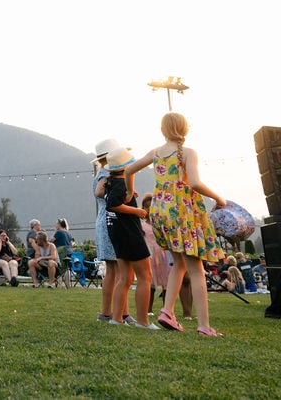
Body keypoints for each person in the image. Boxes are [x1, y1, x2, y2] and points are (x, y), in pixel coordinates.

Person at [124, 112, 227, 337]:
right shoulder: (189, 153)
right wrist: (219, 199)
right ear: (184, 129)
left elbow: (129, 170)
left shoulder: (156, 153)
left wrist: (129, 191)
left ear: (163, 130)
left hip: (161, 212)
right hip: (183, 212)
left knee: (178, 264)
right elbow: (196, 183)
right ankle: (204, 326)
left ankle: (168, 311)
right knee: (196, 269)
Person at [99, 148, 156, 328]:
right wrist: (137, 210)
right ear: (126, 166)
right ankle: (143, 322)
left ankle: (117, 318)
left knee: (125, 278)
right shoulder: (119, 184)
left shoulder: (112, 183)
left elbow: (117, 199)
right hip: (130, 234)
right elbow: (113, 205)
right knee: (145, 277)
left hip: (118, 234)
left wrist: (130, 194)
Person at [91, 139, 135, 325]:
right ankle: (119, 312)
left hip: (105, 220)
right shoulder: (106, 174)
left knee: (114, 270)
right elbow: (99, 193)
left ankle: (110, 311)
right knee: (118, 270)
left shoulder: (103, 173)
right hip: (111, 222)